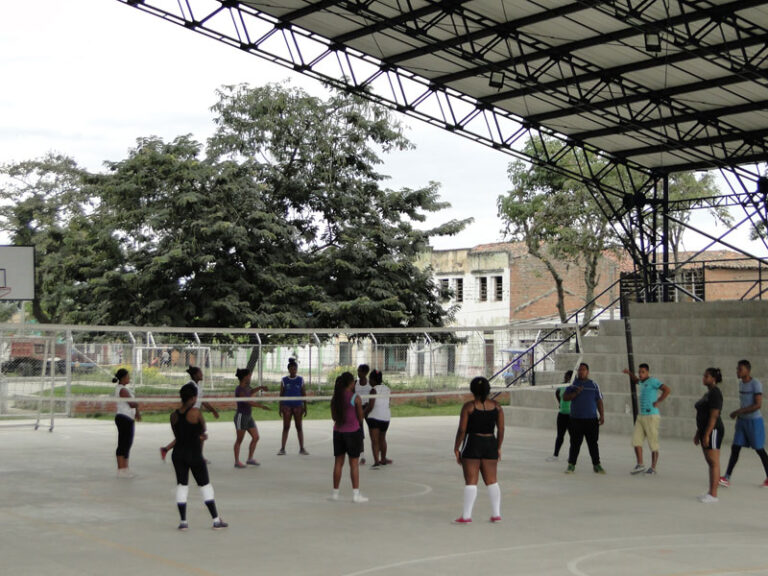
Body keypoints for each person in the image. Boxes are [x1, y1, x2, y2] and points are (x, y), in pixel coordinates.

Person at [170, 382, 227, 530]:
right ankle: (216, 520)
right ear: (194, 398)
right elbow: (202, 431)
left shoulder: (173, 416)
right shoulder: (195, 412)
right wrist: (201, 437)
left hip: (178, 454)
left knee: (182, 486)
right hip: (193, 453)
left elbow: (179, 435)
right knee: (205, 486)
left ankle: (183, 522)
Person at [453, 376, 504, 524]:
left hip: (473, 442)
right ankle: (496, 514)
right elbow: (501, 429)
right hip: (490, 443)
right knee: (492, 481)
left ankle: (467, 516)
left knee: (471, 481)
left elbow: (462, 429)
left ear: (472, 390)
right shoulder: (497, 406)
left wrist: (456, 447)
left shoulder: (469, 407)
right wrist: (498, 446)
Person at [719, 359, 768, 488]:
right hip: (742, 422)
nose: (737, 371)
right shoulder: (741, 384)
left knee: (759, 450)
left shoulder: (755, 384)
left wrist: (738, 411)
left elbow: (758, 405)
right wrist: (740, 415)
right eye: (737, 369)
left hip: (754, 422)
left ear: (748, 370)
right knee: (735, 448)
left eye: (740, 369)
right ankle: (727, 477)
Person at [161, 366, 219, 460]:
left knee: (193, 435)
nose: (202, 374)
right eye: (200, 373)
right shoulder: (190, 386)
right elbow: (185, 398)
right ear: (195, 375)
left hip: (195, 413)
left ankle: (167, 449)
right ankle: (197, 456)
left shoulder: (198, 387)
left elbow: (203, 400)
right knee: (192, 435)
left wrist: (213, 410)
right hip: (190, 414)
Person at [623, 363, 671, 475]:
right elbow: (636, 380)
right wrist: (629, 373)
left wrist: (658, 401)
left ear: (648, 372)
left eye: (643, 372)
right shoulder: (642, 382)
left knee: (652, 443)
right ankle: (640, 464)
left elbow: (667, 389)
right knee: (636, 440)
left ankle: (653, 468)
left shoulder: (653, 381)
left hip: (651, 416)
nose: (640, 374)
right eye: (639, 372)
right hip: (641, 416)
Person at [330, 371, 368, 503]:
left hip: (338, 432)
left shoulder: (336, 398)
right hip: (352, 432)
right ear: (351, 383)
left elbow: (334, 417)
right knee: (354, 464)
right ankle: (355, 494)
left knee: (338, 463)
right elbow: (360, 417)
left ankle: (335, 493)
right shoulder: (355, 398)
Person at [563, 363, 605, 474]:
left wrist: (602, 415)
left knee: (593, 443)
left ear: (588, 371)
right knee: (575, 443)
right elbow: (565, 398)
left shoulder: (594, 385)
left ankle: (597, 465)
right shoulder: (572, 385)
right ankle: (571, 465)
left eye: (584, 370)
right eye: (579, 370)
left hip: (591, 420)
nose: (581, 372)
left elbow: (599, 401)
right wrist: (576, 392)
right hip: (576, 419)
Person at [694, 367, 725, 503]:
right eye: (704, 376)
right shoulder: (709, 393)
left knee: (713, 462)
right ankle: (710, 492)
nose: (704, 378)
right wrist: (698, 433)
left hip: (713, 430)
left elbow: (713, 416)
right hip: (705, 430)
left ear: (713, 379)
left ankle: (713, 494)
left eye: (706, 376)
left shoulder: (715, 393)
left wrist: (706, 434)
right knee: (710, 462)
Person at [233, 368, 270, 469]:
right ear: (245, 377)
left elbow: (251, 391)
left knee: (256, 437)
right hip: (241, 416)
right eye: (249, 375)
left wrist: (260, 387)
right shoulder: (239, 389)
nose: (250, 377)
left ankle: (250, 459)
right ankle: (237, 461)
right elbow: (248, 401)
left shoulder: (246, 387)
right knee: (239, 440)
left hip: (248, 416)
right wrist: (261, 406)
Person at [278, 358, 309, 455]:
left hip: (298, 406)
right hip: (287, 406)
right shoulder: (284, 380)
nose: (293, 370)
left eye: (295, 369)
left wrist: (305, 407)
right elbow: (281, 395)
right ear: (288, 369)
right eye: (291, 369)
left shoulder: (300, 380)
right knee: (286, 427)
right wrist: (280, 407)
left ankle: (302, 448)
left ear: (296, 369)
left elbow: (303, 394)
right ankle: (282, 448)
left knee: (299, 427)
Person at [114, 368, 140, 478]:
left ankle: (125, 469)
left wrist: (137, 411)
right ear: (123, 378)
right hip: (123, 417)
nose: (129, 378)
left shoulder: (125, 389)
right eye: (128, 377)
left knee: (127, 443)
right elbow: (132, 404)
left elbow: (134, 404)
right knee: (123, 443)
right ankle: (121, 470)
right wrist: (137, 405)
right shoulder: (122, 390)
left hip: (128, 418)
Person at [365, 369, 392, 468]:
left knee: (375, 440)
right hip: (385, 417)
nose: (369, 381)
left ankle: (376, 461)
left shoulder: (373, 390)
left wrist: (363, 413)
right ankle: (383, 459)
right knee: (382, 439)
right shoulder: (387, 388)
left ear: (373, 380)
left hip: (375, 417)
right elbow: (388, 401)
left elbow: (371, 406)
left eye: (370, 379)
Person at [546, 370, 573, 462]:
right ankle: (555, 455)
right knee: (560, 435)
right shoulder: (562, 386)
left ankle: (571, 456)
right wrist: (560, 403)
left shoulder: (574, 387)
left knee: (573, 437)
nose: (565, 378)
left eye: (567, 376)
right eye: (565, 376)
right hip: (562, 414)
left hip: (572, 415)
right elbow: (557, 393)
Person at [355, 364, 372, 464]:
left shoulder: (370, 384)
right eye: (358, 371)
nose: (358, 373)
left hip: (368, 408)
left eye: (360, 371)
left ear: (365, 373)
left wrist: (367, 408)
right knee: (360, 433)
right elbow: (353, 396)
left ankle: (379, 455)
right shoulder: (355, 383)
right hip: (358, 409)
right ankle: (362, 456)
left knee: (374, 432)